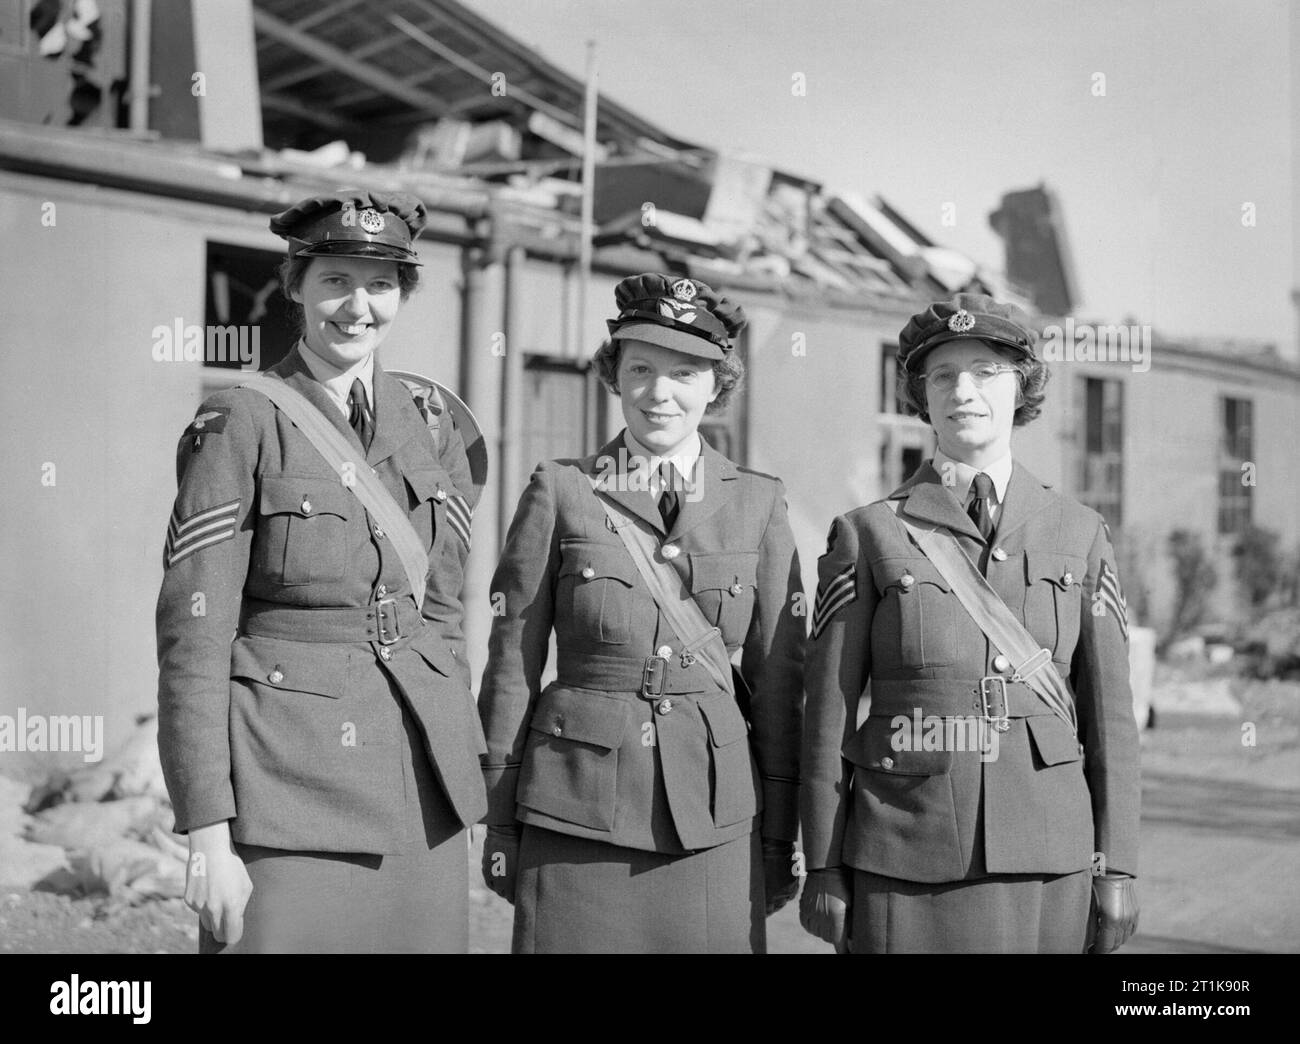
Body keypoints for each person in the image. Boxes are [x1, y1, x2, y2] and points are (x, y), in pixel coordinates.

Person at [155, 190, 487, 953]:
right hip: (287, 788)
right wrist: (207, 831)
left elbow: (441, 617)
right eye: (334, 281)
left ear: (402, 296)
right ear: (296, 287)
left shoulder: (434, 424)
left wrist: (462, 781)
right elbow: (194, 637)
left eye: (378, 285)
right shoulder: (242, 420)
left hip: (420, 789)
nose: (355, 307)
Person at [799, 293, 1140, 954]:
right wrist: (823, 863)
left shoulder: (1079, 530)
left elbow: (1112, 721)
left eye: (985, 371)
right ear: (920, 397)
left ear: (1022, 386)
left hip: (1048, 852)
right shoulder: (869, 532)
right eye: (943, 375)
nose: (964, 391)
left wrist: (1117, 863)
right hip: (906, 849)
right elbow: (827, 717)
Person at [477, 273, 805, 953]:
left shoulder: (759, 504)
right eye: (642, 369)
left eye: (685, 372)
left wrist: (779, 837)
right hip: (575, 812)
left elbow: (780, 686)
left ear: (718, 383)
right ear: (614, 376)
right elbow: (512, 662)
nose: (660, 393)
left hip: (715, 816)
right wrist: (501, 824)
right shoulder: (562, 491)